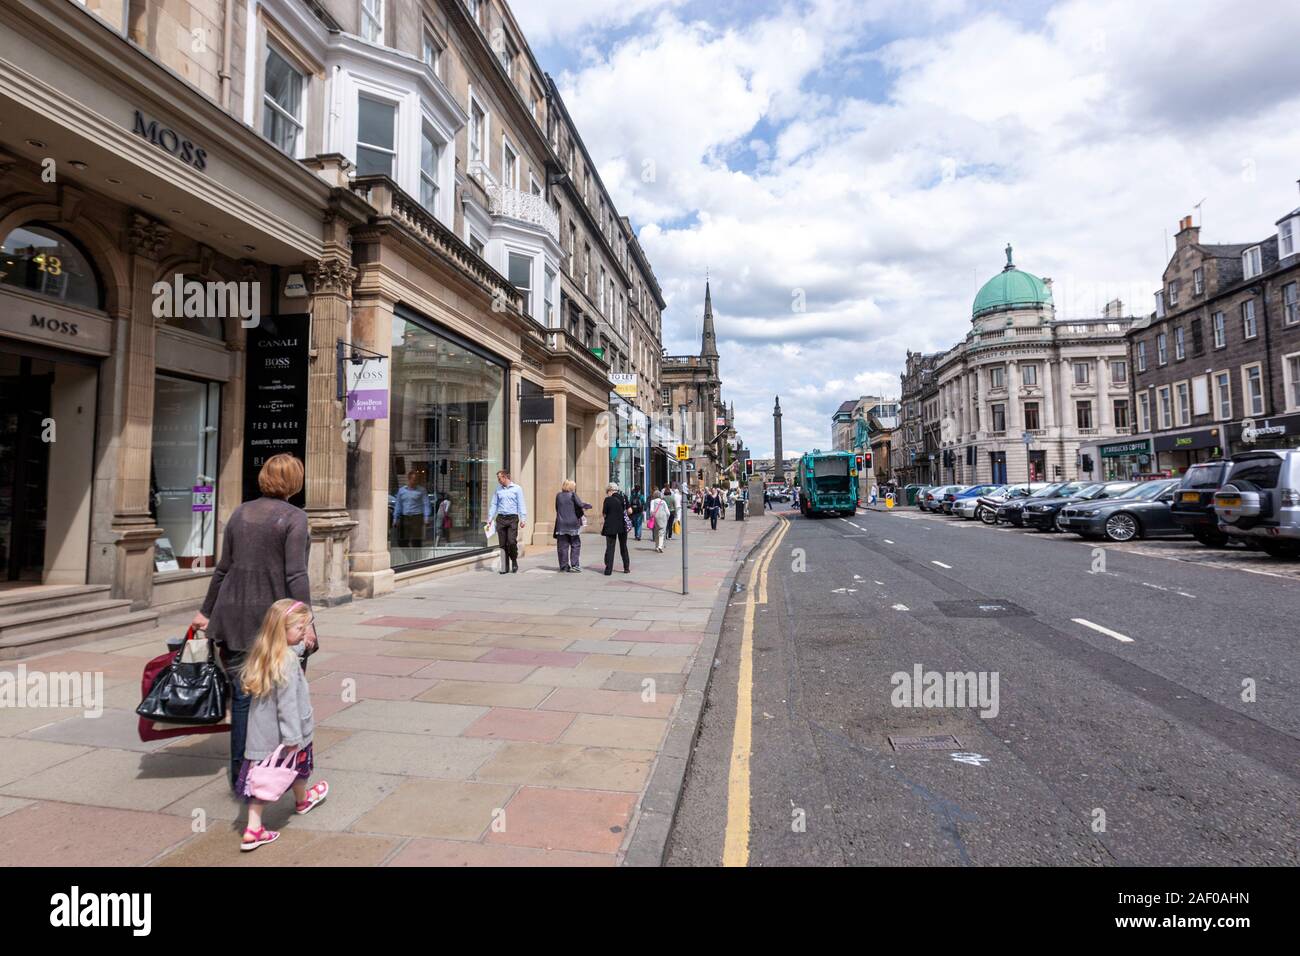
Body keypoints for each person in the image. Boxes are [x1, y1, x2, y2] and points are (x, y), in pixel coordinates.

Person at [191, 453, 316, 793]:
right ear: (294, 482)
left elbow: (223, 568)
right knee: (274, 700)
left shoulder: (240, 512)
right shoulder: (294, 518)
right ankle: (266, 777)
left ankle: (241, 777)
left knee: (243, 701)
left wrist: (206, 611)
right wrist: (307, 622)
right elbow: (296, 574)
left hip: (230, 619)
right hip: (270, 624)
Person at [234, 598, 327, 852]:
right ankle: (255, 828)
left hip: (262, 736)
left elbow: (288, 652)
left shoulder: (267, 653)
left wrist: (301, 645)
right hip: (287, 735)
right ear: (282, 631)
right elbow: (287, 705)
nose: (304, 633)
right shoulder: (286, 662)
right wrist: (292, 738)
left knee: (264, 778)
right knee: (279, 774)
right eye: (300, 629)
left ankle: (298, 801)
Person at [486, 469, 526, 574]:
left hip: (513, 518)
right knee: (503, 544)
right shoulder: (498, 489)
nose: (498, 480)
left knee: (511, 541)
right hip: (501, 519)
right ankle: (504, 566)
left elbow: (521, 504)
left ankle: (514, 560)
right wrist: (490, 519)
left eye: (499, 478)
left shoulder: (517, 489)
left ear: (505, 477)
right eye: (498, 478)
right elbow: (494, 504)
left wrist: (523, 519)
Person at [554, 479, 591, 572]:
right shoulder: (573, 495)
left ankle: (564, 566)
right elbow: (580, 504)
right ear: (571, 487)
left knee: (562, 546)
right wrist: (588, 505)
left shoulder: (558, 496)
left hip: (561, 524)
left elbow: (557, 508)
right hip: (573, 524)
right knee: (575, 544)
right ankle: (574, 565)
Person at [392, 470, 430, 548]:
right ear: (409, 479)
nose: (416, 482)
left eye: (417, 480)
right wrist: (395, 518)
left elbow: (426, 504)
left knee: (416, 541)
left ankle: (417, 558)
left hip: (417, 517)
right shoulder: (402, 491)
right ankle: (408, 558)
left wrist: (426, 517)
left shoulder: (421, 490)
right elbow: (398, 505)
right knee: (402, 541)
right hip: (404, 517)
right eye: (414, 480)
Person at [601, 482, 631, 575]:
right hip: (622, 525)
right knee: (623, 546)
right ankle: (626, 568)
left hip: (610, 526)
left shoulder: (607, 500)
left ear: (610, 490)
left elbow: (604, 514)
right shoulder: (624, 498)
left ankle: (608, 570)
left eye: (607, 492)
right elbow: (630, 511)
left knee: (610, 547)